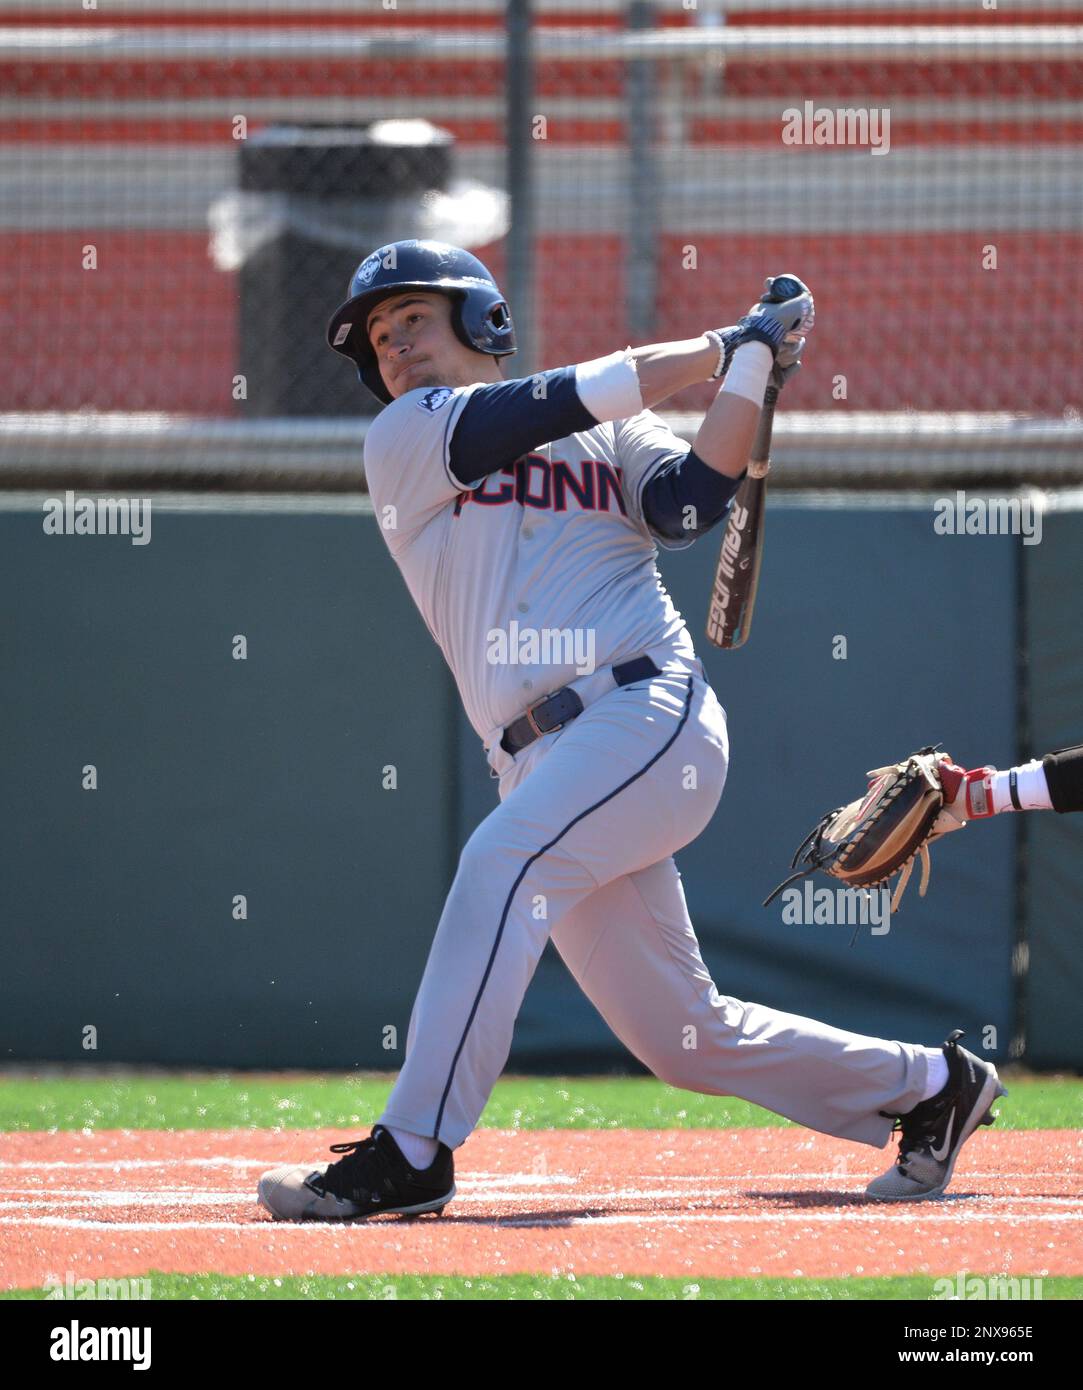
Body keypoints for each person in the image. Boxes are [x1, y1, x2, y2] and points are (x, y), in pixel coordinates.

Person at [257, 239, 1006, 1222]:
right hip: (537, 760)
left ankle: (414, 1147)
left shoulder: (611, 433)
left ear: (482, 322)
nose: (394, 349)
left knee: (501, 868)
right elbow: (546, 404)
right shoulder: (405, 439)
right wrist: (722, 343)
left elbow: (691, 499)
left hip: (647, 712)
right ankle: (932, 1087)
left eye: (412, 322)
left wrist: (747, 368)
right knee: (682, 1035)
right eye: (380, 339)